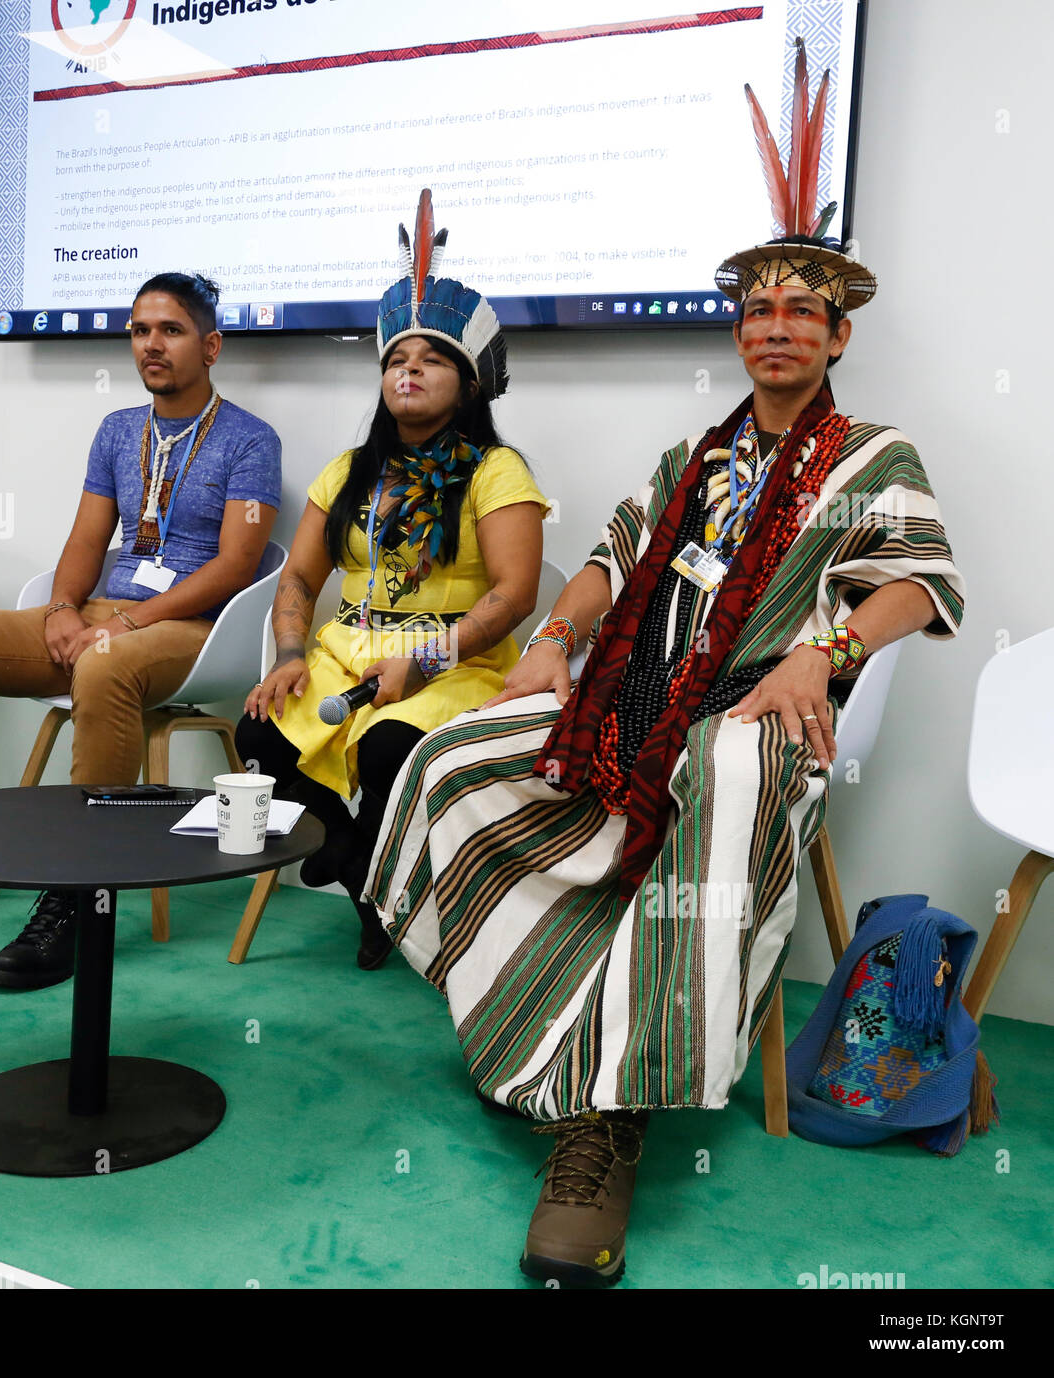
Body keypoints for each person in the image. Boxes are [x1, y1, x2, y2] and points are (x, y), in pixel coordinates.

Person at [364, 51, 965, 1287]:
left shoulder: (874, 456)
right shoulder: (691, 453)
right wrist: (545, 645)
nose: (776, 327)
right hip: (626, 702)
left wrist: (823, 652)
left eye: (801, 311)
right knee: (447, 755)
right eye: (757, 310)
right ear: (737, 333)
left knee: (724, 785)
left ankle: (609, 1120)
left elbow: (921, 581)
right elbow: (604, 562)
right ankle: (527, 1011)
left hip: (753, 711)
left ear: (837, 334)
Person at [0, 272, 282, 989]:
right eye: (140, 330)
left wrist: (128, 622)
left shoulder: (250, 440)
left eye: (169, 331)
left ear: (211, 346)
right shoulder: (117, 432)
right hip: (103, 618)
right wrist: (62, 611)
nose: (151, 345)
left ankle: (79, 897)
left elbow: (237, 564)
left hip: (192, 630)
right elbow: (86, 540)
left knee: (105, 665)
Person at [236, 191, 549, 969]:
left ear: (471, 381)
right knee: (257, 732)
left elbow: (516, 596)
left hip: (457, 662)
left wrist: (429, 659)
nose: (409, 371)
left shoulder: (496, 469)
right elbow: (299, 580)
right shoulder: (347, 471)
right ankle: (356, 871)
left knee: (385, 754)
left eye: (432, 358)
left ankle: (382, 892)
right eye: (396, 361)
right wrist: (286, 657)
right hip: (349, 651)